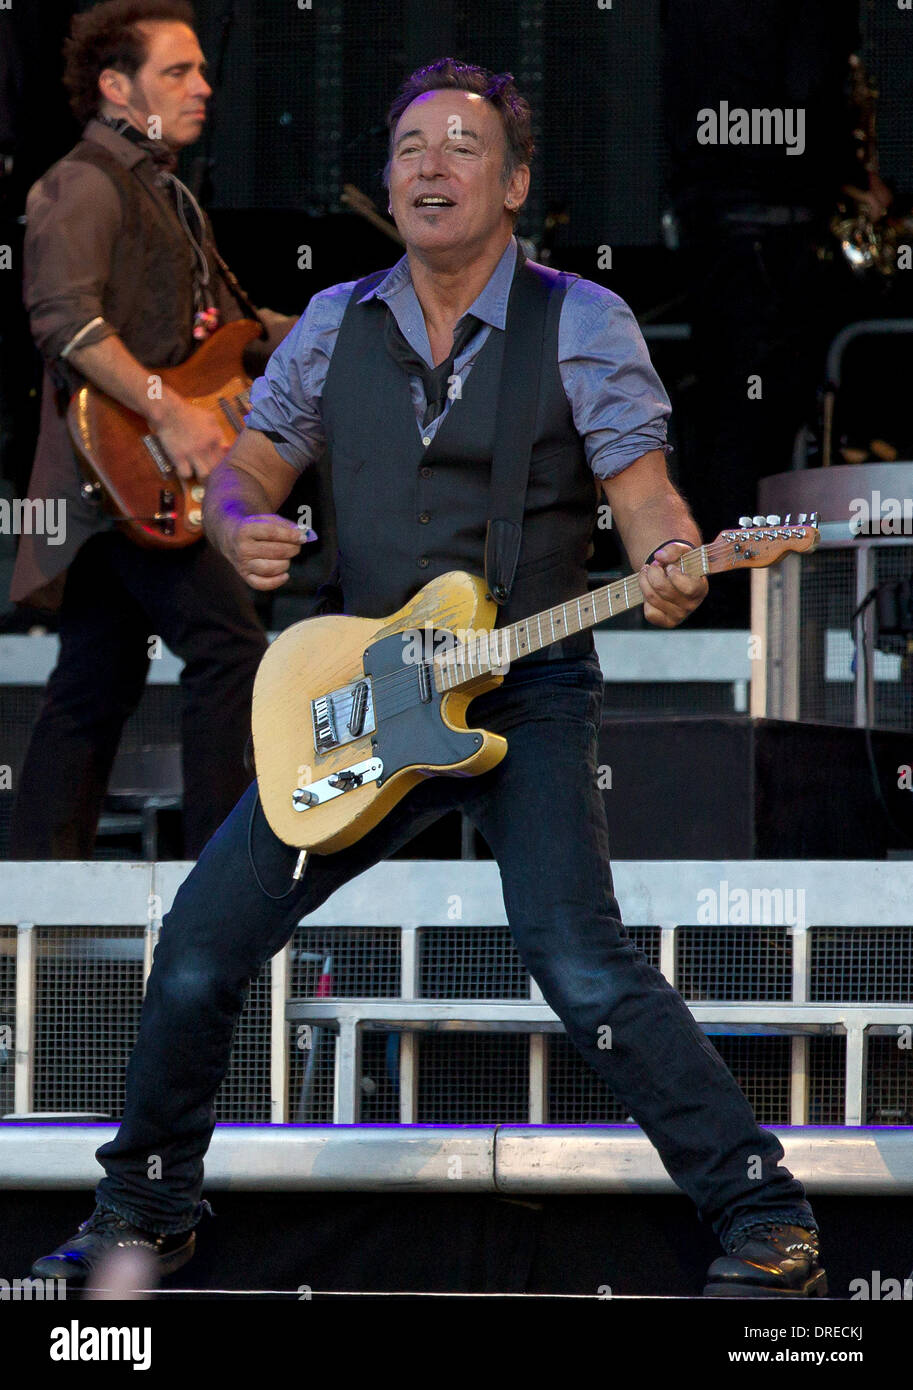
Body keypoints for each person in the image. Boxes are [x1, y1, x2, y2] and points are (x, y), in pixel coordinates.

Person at [32, 57, 825, 1298]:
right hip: (361, 697)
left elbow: (646, 495)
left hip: (528, 686)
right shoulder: (336, 320)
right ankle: (146, 1211)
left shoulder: (584, 320)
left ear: (513, 185)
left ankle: (761, 1211)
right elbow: (243, 470)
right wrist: (238, 520)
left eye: (459, 146)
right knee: (194, 948)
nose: (426, 165)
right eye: (407, 147)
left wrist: (673, 558)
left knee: (579, 961)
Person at [8, 0, 293, 859]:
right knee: (228, 645)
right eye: (177, 72)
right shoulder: (83, 183)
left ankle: (33, 899)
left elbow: (229, 334)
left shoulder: (162, 190)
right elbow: (63, 320)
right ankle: (226, 881)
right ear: (115, 88)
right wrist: (171, 414)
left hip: (120, 493)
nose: (202, 86)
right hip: (122, 474)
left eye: (201, 70)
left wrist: (343, 318)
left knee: (93, 684)